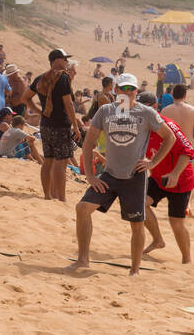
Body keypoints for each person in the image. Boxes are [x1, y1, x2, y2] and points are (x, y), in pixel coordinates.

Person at [75, 74, 177, 275]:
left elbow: (170, 137)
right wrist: (90, 176)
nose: (127, 92)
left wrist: (153, 162)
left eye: (131, 89)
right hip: (110, 174)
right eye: (123, 88)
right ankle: (83, 259)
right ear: (116, 91)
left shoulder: (146, 113)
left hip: (134, 177)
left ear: (136, 92)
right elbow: (89, 143)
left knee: (137, 224)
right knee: (82, 208)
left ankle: (134, 270)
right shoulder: (105, 111)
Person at [139, 91, 194, 264]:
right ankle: (158, 240)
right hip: (157, 177)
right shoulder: (141, 125)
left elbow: (188, 151)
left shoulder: (168, 125)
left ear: (155, 108)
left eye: (144, 108)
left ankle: (187, 260)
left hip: (180, 180)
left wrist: (175, 173)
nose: (140, 112)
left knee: (176, 222)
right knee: (139, 204)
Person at [30, 49, 83, 202]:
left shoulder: (41, 78)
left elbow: (26, 97)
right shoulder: (62, 77)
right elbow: (68, 104)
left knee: (48, 160)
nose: (66, 61)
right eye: (64, 58)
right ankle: (61, 198)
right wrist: (75, 126)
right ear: (56, 60)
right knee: (61, 161)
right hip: (60, 125)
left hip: (45, 124)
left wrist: (40, 112)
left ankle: (47, 195)